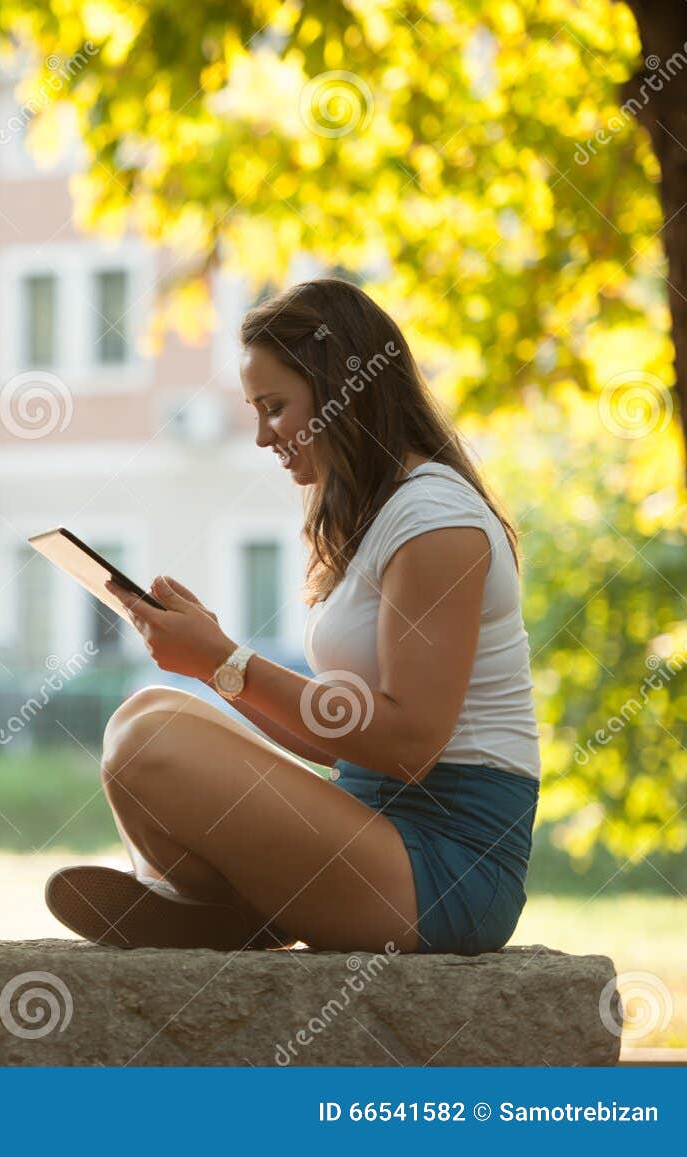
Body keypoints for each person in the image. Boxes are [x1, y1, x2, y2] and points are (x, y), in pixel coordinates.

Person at [46, 278, 541, 956]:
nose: (259, 436)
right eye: (253, 411)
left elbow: (409, 745)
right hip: (375, 825)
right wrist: (212, 667)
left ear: (344, 388)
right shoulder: (375, 516)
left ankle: (226, 905)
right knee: (141, 714)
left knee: (149, 745)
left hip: (445, 866)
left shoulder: (436, 522)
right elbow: (339, 739)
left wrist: (225, 661)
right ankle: (230, 909)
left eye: (274, 407)